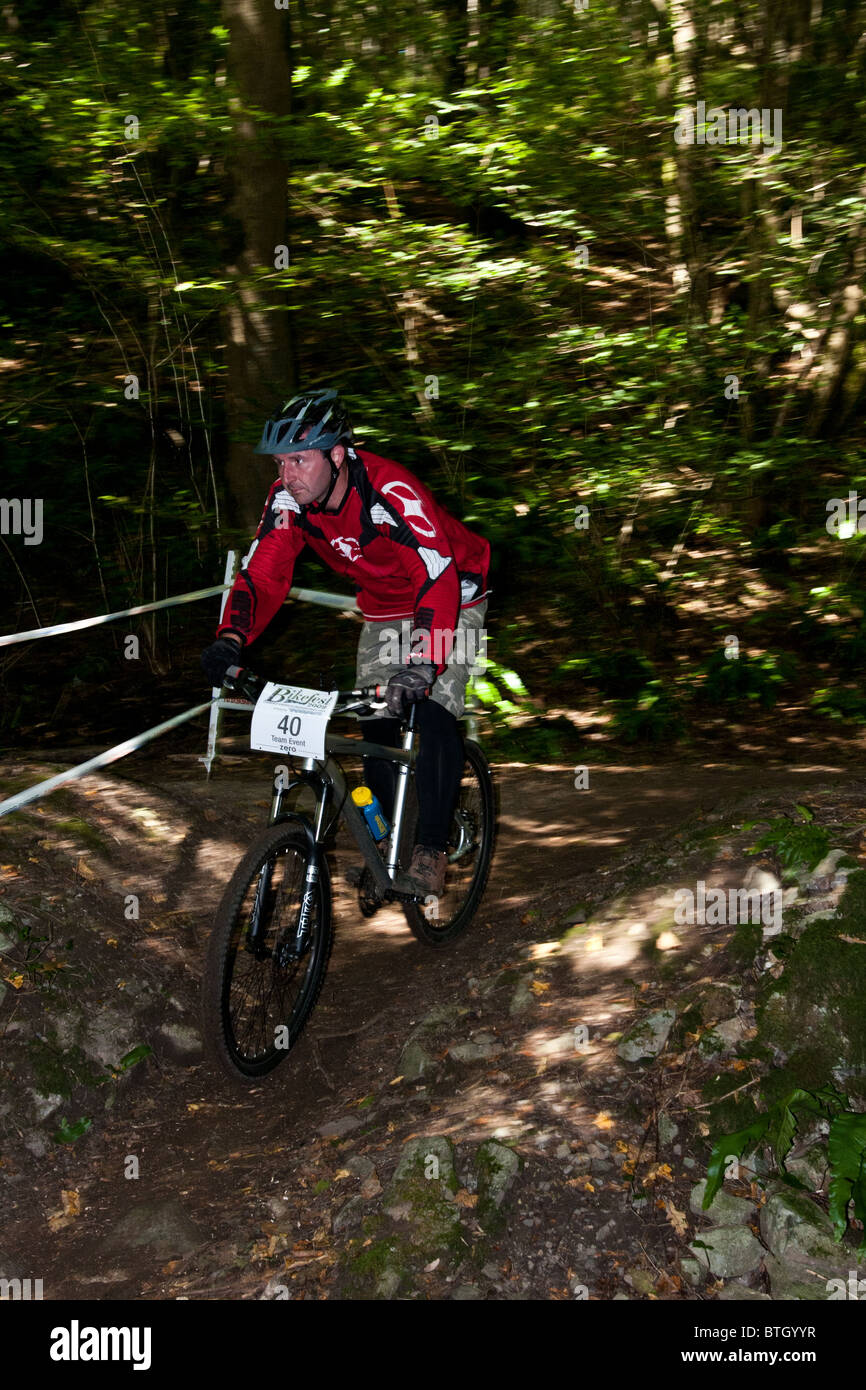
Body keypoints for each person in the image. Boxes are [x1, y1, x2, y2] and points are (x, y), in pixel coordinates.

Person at [201, 389, 490, 898]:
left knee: (433, 710)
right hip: (384, 606)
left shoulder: (389, 490)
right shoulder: (289, 501)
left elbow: (435, 573)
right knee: (376, 718)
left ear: (337, 455)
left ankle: (430, 848)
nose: (287, 474)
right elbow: (264, 573)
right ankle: (382, 842)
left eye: (299, 460)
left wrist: (424, 664)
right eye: (280, 462)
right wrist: (230, 639)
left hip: (453, 589)